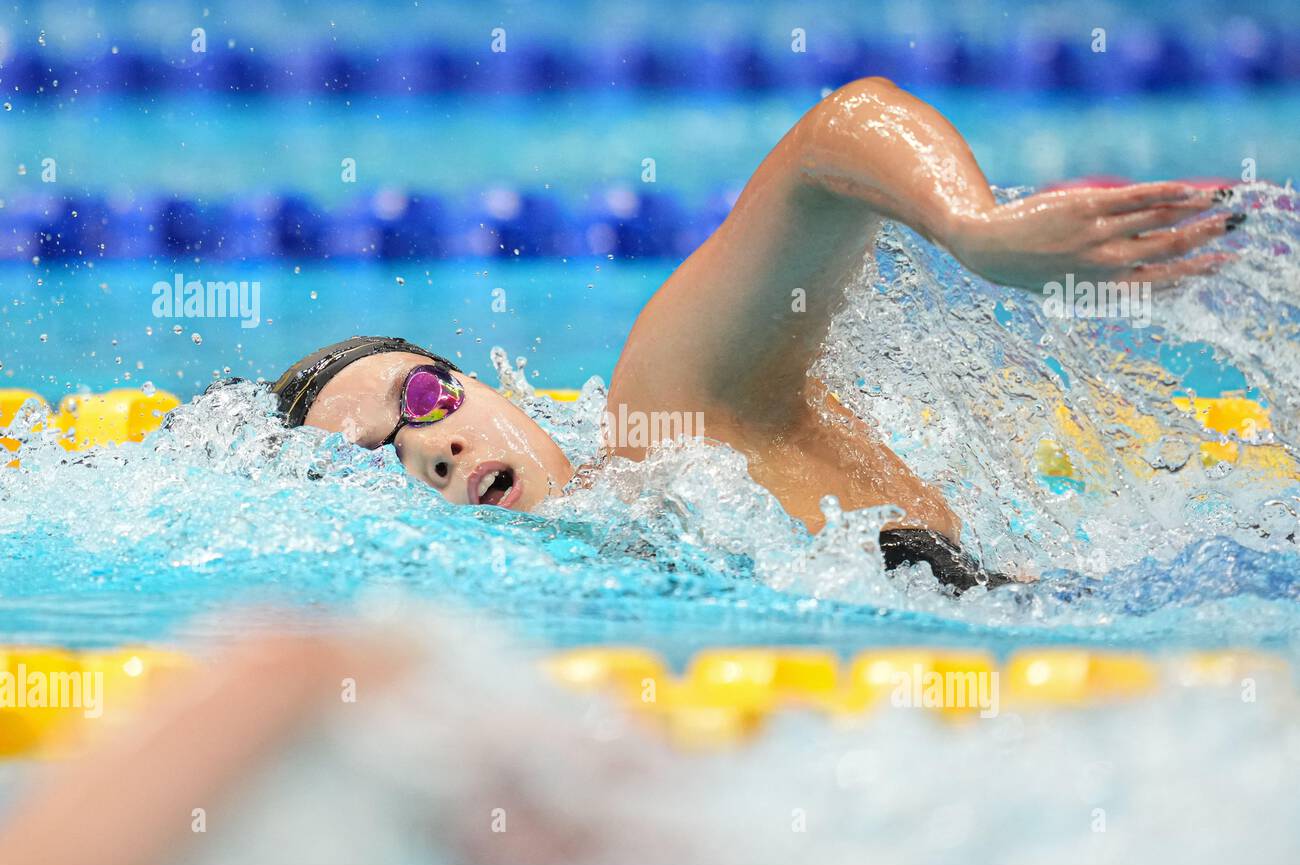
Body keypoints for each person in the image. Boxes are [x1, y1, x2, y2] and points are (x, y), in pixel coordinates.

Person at [269, 77, 1239, 592]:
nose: (432, 450)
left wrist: (972, 228)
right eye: (375, 463)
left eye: (426, 399)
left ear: (485, 385)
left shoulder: (671, 428)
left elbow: (835, 136)